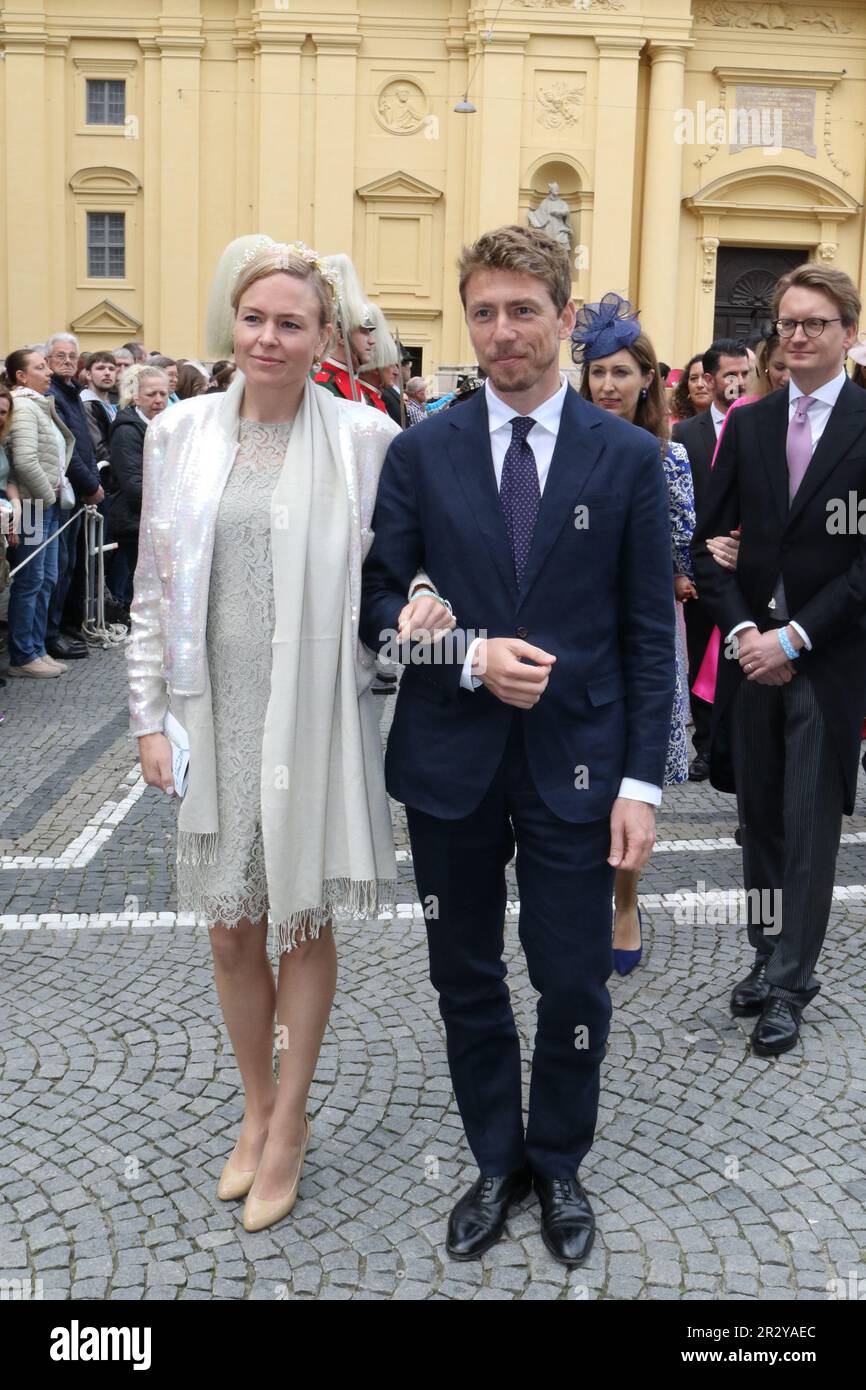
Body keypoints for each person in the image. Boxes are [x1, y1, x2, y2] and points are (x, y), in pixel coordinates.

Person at [361, 225, 675, 1267]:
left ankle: (560, 1159)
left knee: (574, 977)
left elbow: (647, 634)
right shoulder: (421, 450)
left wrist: (641, 785)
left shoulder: (627, 456)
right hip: (448, 762)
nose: (502, 332)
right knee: (464, 973)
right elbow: (378, 608)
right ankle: (496, 1160)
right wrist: (463, 652)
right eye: (484, 312)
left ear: (564, 318)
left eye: (523, 311)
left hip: (579, 763)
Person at [128, 235, 451, 1236]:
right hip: (212, 704)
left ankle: (291, 1119)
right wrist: (146, 716)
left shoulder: (365, 437)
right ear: (232, 322)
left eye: (291, 323)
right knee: (230, 925)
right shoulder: (176, 432)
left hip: (316, 706)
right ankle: (256, 1104)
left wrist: (426, 594)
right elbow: (152, 587)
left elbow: (404, 561)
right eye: (254, 318)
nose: (268, 337)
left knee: (303, 916)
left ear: (323, 337)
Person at [692, 262, 866, 1059]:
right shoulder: (751, 423)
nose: (796, 336)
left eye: (814, 324)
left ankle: (793, 982)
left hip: (825, 663)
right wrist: (742, 632)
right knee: (758, 821)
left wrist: (793, 639)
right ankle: (767, 952)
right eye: (788, 323)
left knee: (808, 828)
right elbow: (710, 545)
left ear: (848, 334)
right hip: (750, 659)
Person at [576, 294, 694, 976]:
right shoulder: (563, 449)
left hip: (644, 634)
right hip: (579, 630)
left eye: (621, 371)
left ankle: (625, 900)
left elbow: (680, 551)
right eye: (597, 372)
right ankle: (580, 895)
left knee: (632, 774)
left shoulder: (667, 458)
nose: (608, 385)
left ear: (647, 378)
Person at [672, 339, 750, 781]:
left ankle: (740, 741)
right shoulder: (686, 434)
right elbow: (677, 507)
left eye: (745, 373)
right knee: (701, 654)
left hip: (748, 562)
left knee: (741, 654)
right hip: (702, 565)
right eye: (730, 375)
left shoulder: (761, 424)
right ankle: (705, 745)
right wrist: (682, 567)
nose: (739, 382)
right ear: (710, 379)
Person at [3, 347, 74, 678]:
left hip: (43, 503)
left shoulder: (38, 405)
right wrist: (48, 496)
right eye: (41, 367)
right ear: (21, 376)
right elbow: (25, 460)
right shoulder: (24, 406)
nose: (49, 373)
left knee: (47, 578)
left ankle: (37, 648)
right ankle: (23, 654)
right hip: (33, 505)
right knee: (31, 579)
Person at [109, 366, 169, 582]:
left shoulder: (168, 425)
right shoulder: (126, 431)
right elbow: (134, 484)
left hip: (162, 520)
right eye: (151, 394)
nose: (158, 400)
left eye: (163, 394)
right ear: (136, 398)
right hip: (137, 522)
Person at [314, 254, 384, 410]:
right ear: (340, 336)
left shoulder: (350, 380)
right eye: (364, 332)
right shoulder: (323, 384)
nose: (372, 340)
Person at [669, 353, 711, 424]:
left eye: (706, 378)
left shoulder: (729, 421)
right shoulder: (672, 424)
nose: (699, 384)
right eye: (693, 378)